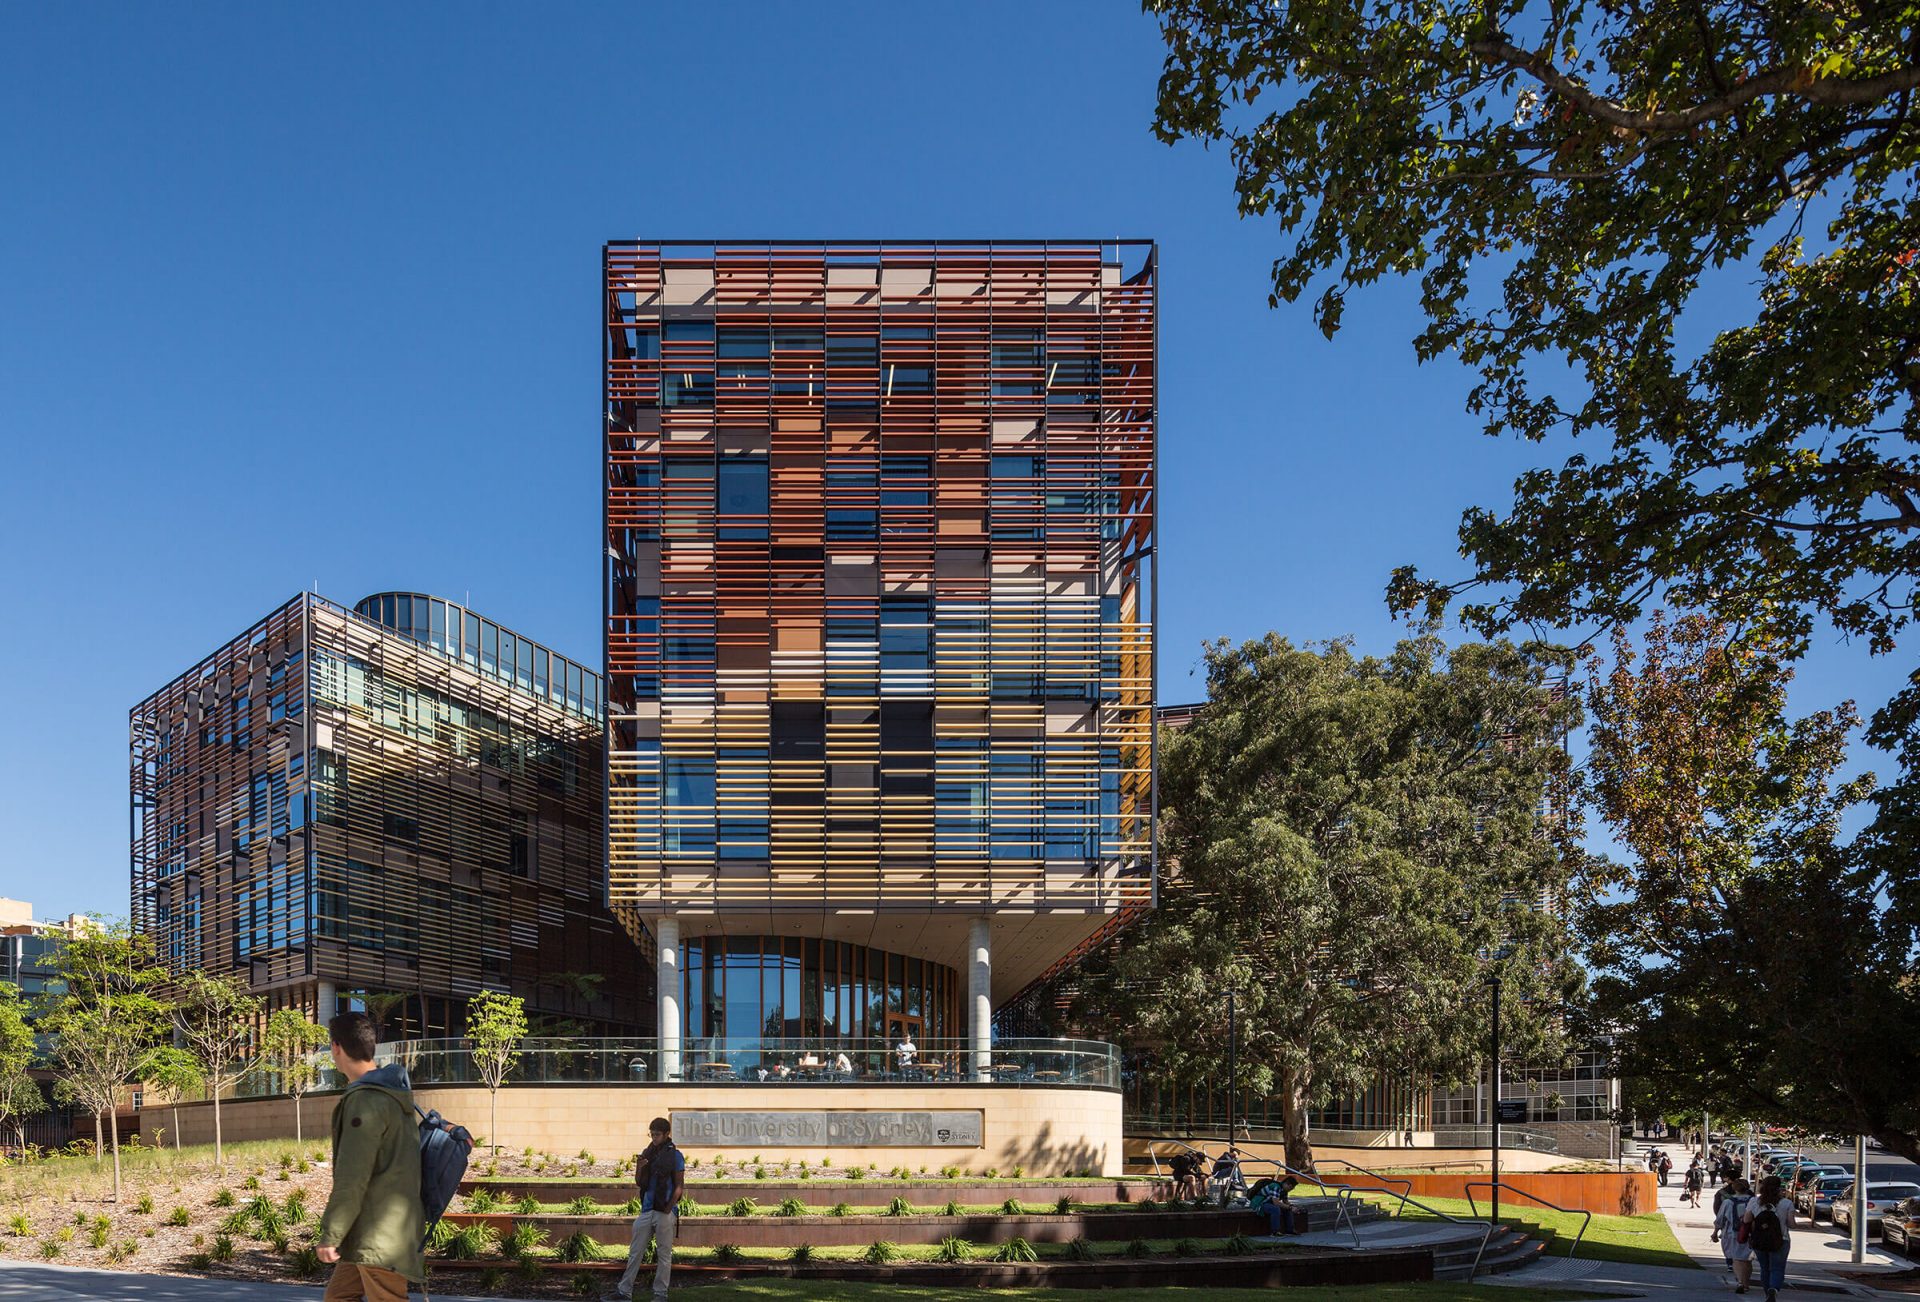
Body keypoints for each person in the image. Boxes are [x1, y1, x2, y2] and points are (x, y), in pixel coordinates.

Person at [315, 1012, 426, 1302]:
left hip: (379, 1233)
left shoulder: (367, 1100)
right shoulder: (392, 1093)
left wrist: (331, 1234)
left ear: (336, 1047)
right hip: (374, 1231)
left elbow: (353, 1176)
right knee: (338, 1298)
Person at [608, 1117, 685, 1301]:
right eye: (652, 1134)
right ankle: (624, 1291)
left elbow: (679, 1186)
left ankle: (660, 1294)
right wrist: (639, 1167)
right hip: (647, 1209)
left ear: (666, 1134)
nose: (654, 1138)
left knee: (664, 1255)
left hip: (664, 1211)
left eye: (657, 1134)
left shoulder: (675, 1156)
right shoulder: (647, 1153)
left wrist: (668, 1209)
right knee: (635, 1252)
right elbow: (639, 1182)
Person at [1741, 1174, 1794, 1302]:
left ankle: (1767, 1293)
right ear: (1779, 1188)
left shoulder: (1754, 1201)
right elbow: (1791, 1224)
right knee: (1777, 1268)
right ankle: (1774, 1289)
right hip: (1781, 1240)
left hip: (1760, 1239)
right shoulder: (1787, 1203)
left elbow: (1746, 1220)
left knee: (1765, 1268)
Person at [1711, 1177, 1753, 1293]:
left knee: (1736, 1259)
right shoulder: (1754, 1201)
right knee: (1747, 1260)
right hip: (1750, 1234)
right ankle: (1746, 1283)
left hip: (1733, 1233)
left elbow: (1720, 1219)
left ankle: (1740, 1282)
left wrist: (1715, 1233)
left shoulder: (1728, 1202)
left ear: (1734, 1188)